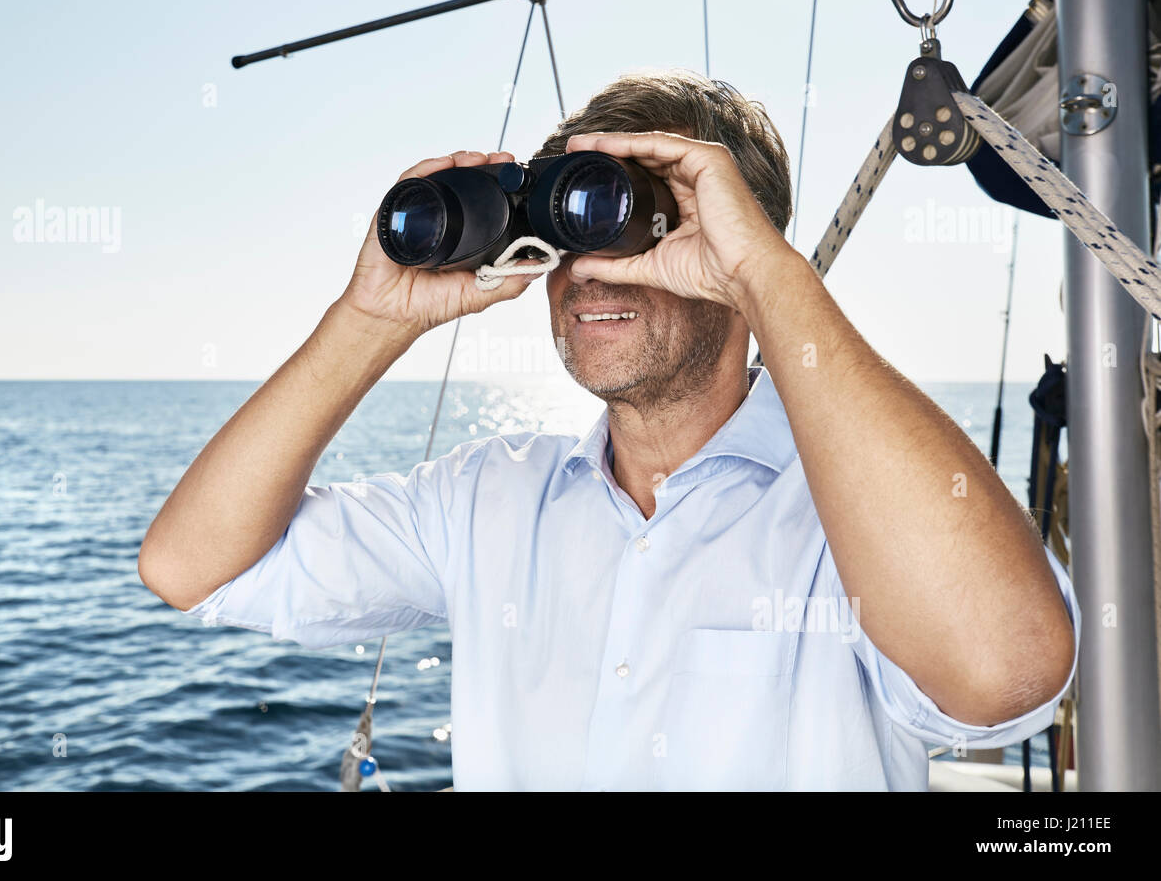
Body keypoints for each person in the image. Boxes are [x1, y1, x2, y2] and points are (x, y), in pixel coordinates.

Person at [138, 69, 1078, 791]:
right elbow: (193, 568)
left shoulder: (858, 519)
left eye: (627, 220)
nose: (587, 269)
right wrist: (370, 320)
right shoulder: (488, 498)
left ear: (734, 245)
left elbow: (1006, 676)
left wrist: (775, 280)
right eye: (562, 228)